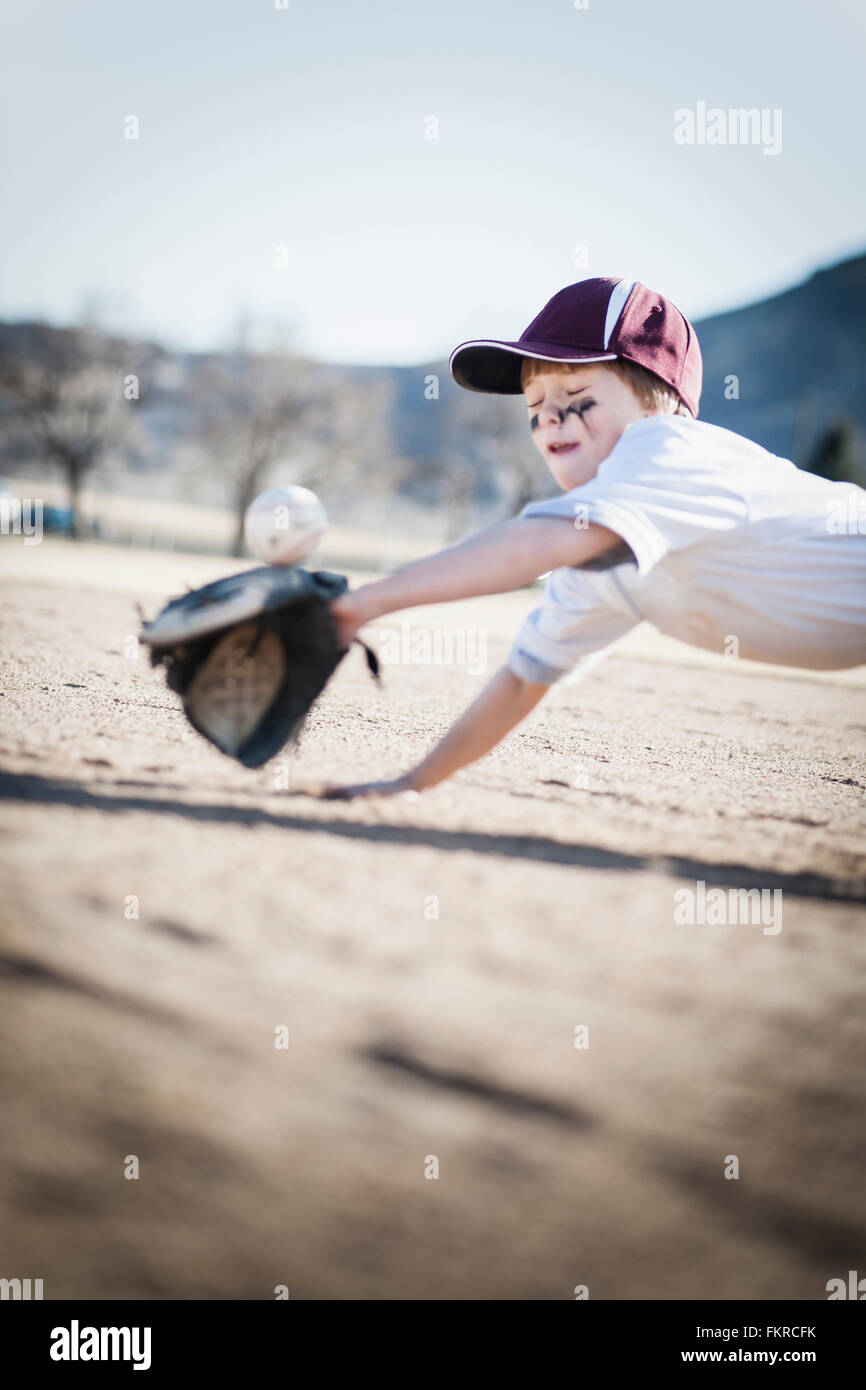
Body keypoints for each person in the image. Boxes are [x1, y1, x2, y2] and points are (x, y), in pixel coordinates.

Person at [316, 277, 866, 801]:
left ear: (663, 404)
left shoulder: (667, 450)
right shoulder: (600, 547)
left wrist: (362, 604)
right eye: (534, 405)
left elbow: (527, 549)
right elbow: (521, 682)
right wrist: (412, 781)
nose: (550, 416)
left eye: (576, 390)